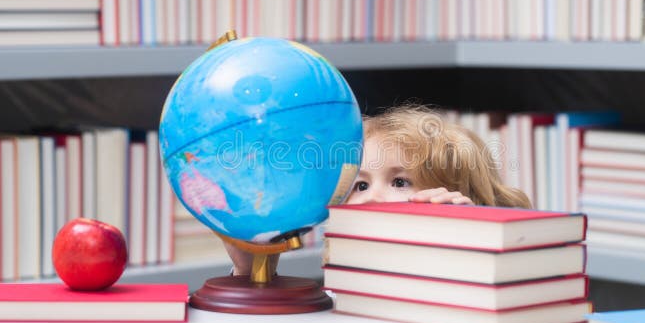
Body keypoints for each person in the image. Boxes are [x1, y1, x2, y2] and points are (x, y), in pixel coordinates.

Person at [224, 103, 531, 275]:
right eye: (360, 184)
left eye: (400, 182)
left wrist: (471, 237)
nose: (371, 197)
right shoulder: (342, 278)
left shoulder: (463, 263)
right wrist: (249, 273)